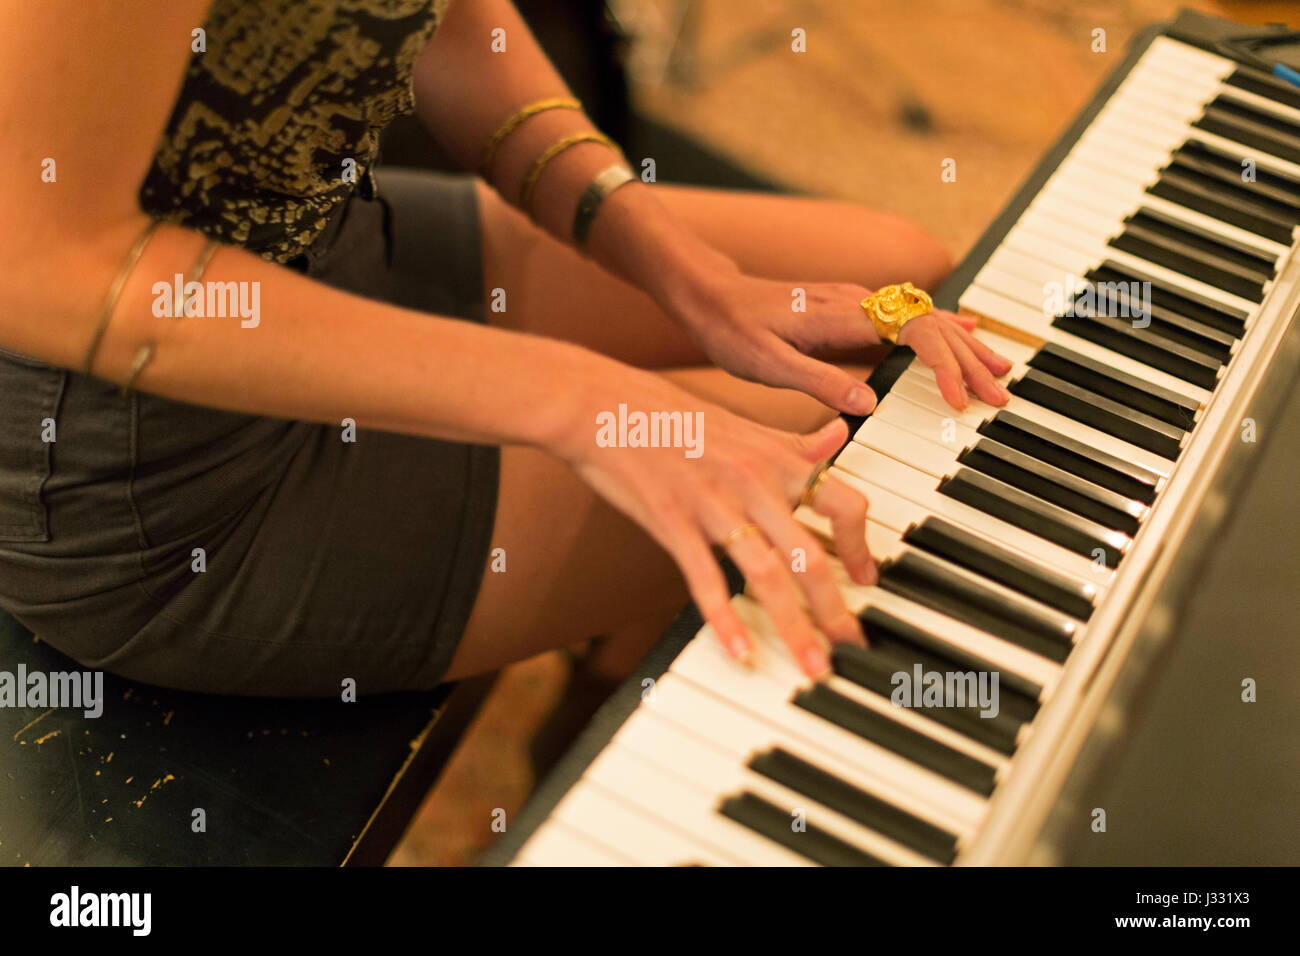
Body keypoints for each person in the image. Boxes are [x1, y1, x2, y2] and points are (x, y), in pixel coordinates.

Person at [0, 0, 1010, 709]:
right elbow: (42, 268)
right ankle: (609, 773)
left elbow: (442, 22)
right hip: (152, 456)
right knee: (838, 466)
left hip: (324, 245)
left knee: (899, 275)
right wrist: (575, 399)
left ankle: (608, 669)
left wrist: (690, 276)